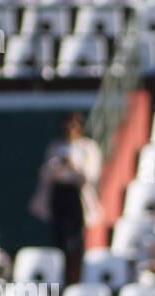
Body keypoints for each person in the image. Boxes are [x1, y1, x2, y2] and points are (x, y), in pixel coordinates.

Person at [29, 113, 102, 285]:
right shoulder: (56, 146)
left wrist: (75, 166)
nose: (71, 130)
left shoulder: (88, 147)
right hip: (58, 195)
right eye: (68, 126)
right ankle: (58, 277)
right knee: (59, 238)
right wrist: (57, 166)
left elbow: (91, 175)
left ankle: (77, 276)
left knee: (76, 239)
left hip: (76, 195)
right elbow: (46, 172)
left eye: (75, 126)